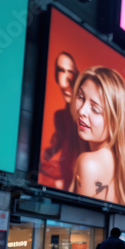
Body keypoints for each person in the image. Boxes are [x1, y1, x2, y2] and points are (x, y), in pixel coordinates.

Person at [68, 67, 125, 207]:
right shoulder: (123, 163)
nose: (82, 111)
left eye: (95, 109)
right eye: (81, 97)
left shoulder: (88, 163)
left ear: (114, 121)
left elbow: (79, 225)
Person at [40, 52, 79, 189]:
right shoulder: (61, 116)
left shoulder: (83, 117)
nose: (67, 80)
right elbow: (59, 149)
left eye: (71, 72)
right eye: (61, 71)